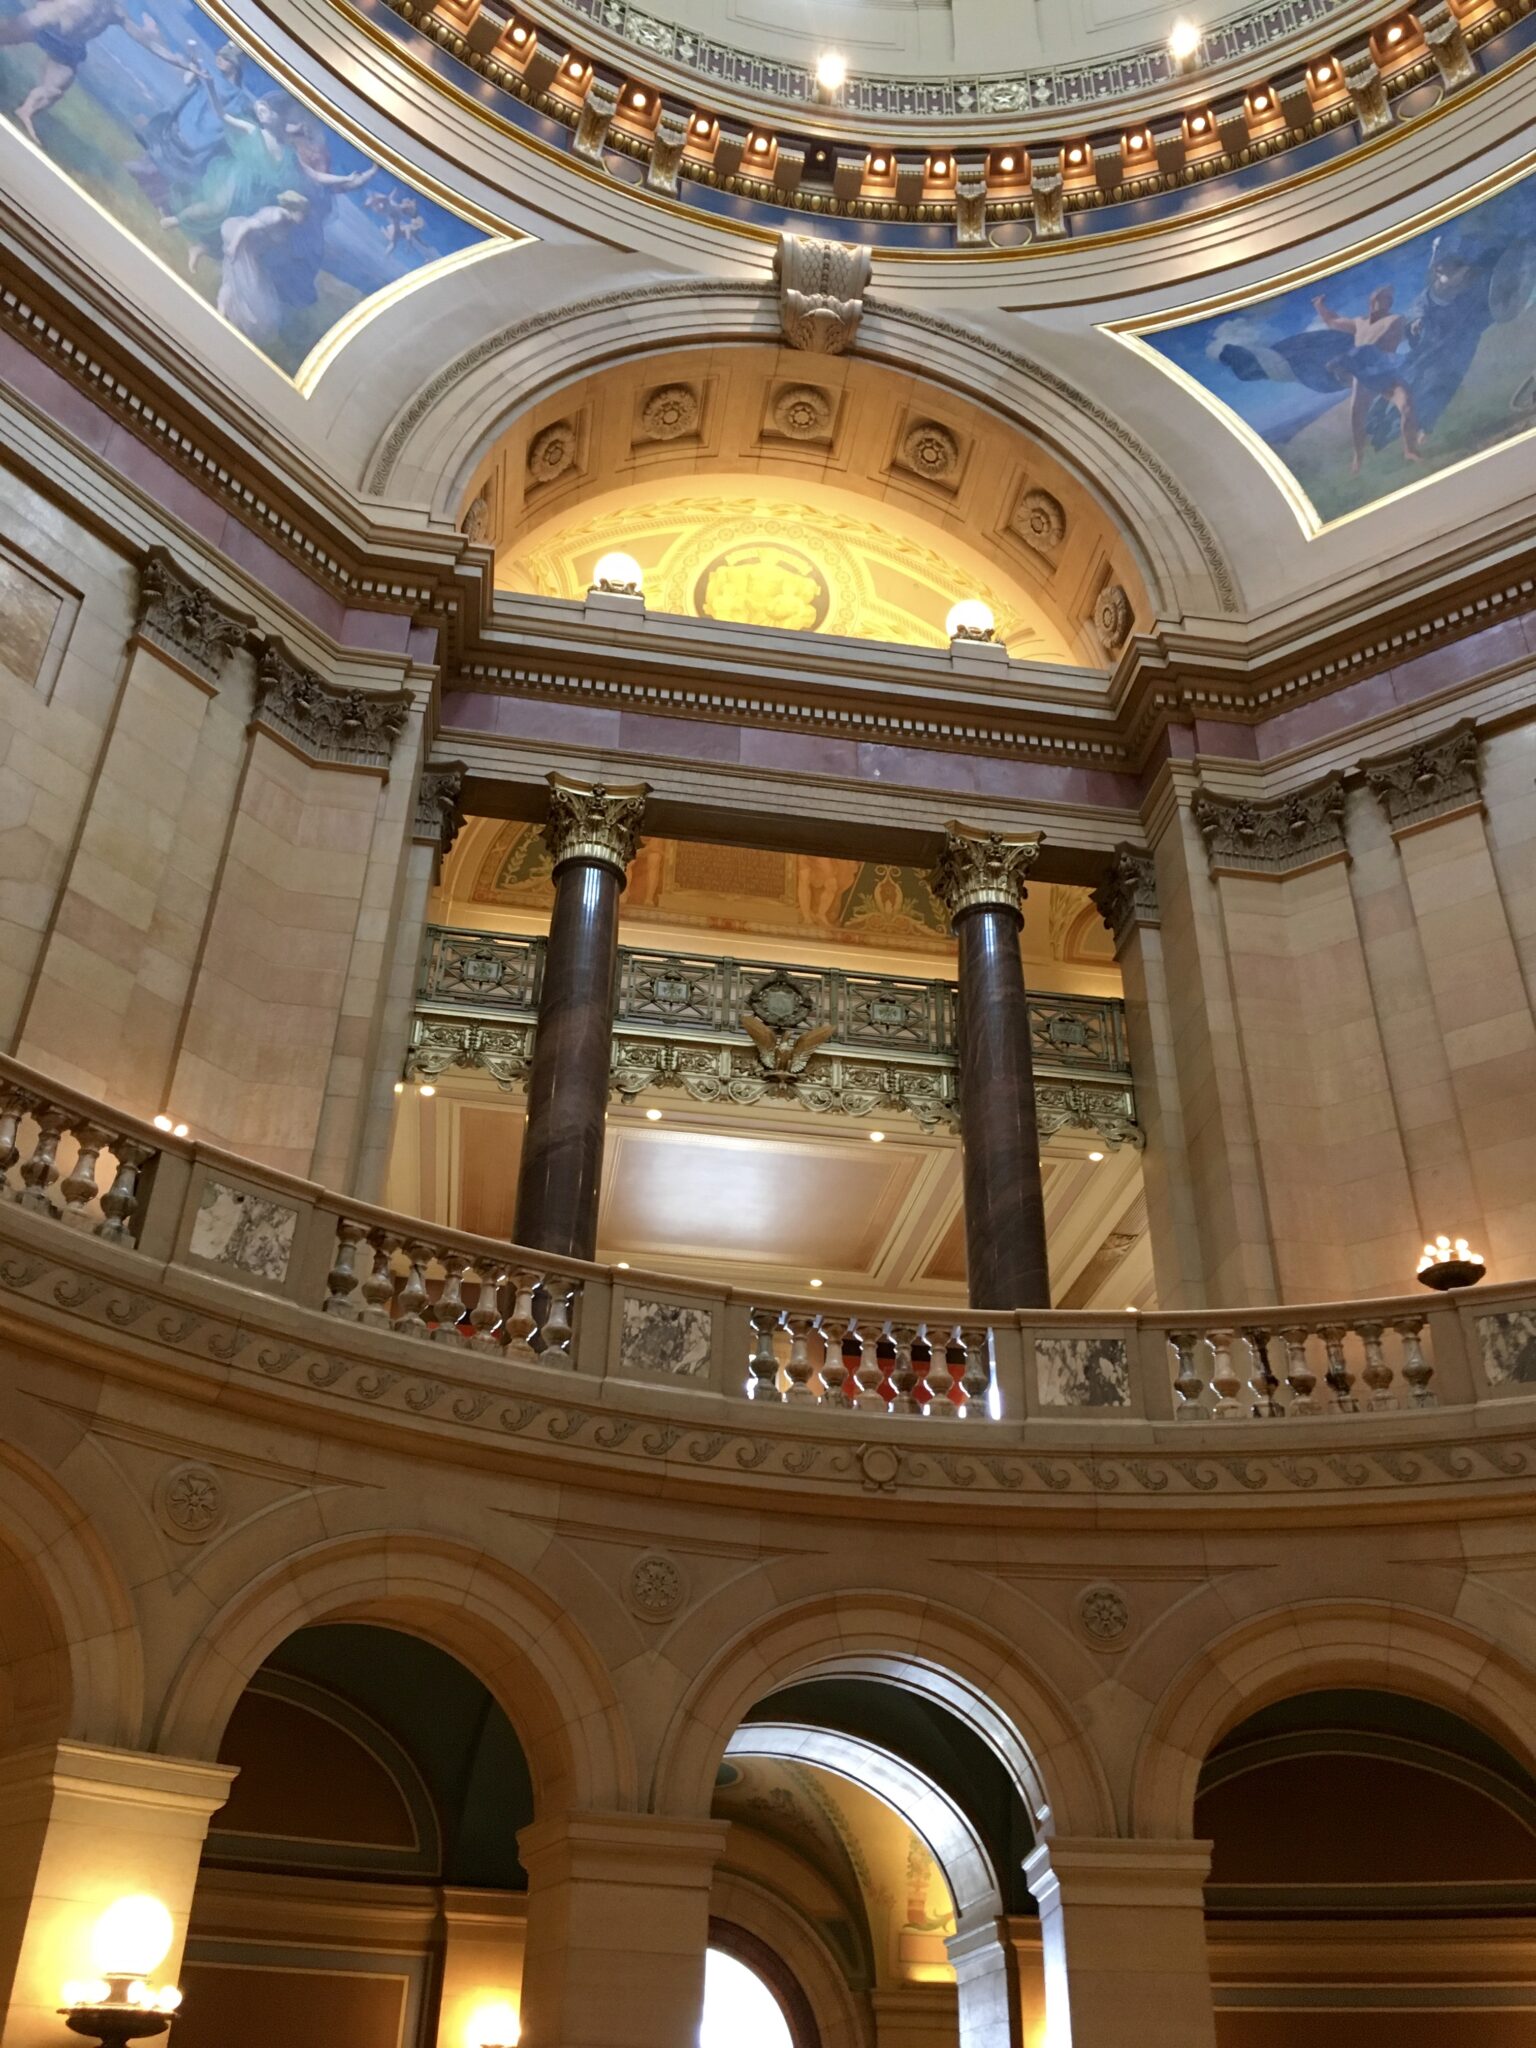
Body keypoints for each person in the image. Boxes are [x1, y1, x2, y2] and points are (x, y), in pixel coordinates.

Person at [0, 0, 178, 142]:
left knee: (53, 91)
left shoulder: (115, 12)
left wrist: (177, 61)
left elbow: (146, 41)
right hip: (47, 23)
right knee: (6, 33)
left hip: (68, 49)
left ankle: (25, 112)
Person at [1310, 284, 1416, 471]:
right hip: (1365, 377)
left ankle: (1410, 450)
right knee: (1357, 417)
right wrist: (1319, 306)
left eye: (1389, 299)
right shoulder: (1359, 323)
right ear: (1372, 301)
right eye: (1383, 298)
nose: (1386, 302)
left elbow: (1376, 345)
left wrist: (1345, 360)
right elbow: (1333, 321)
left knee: (1406, 405)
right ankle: (1358, 459)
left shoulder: (1395, 319)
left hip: (1385, 371)